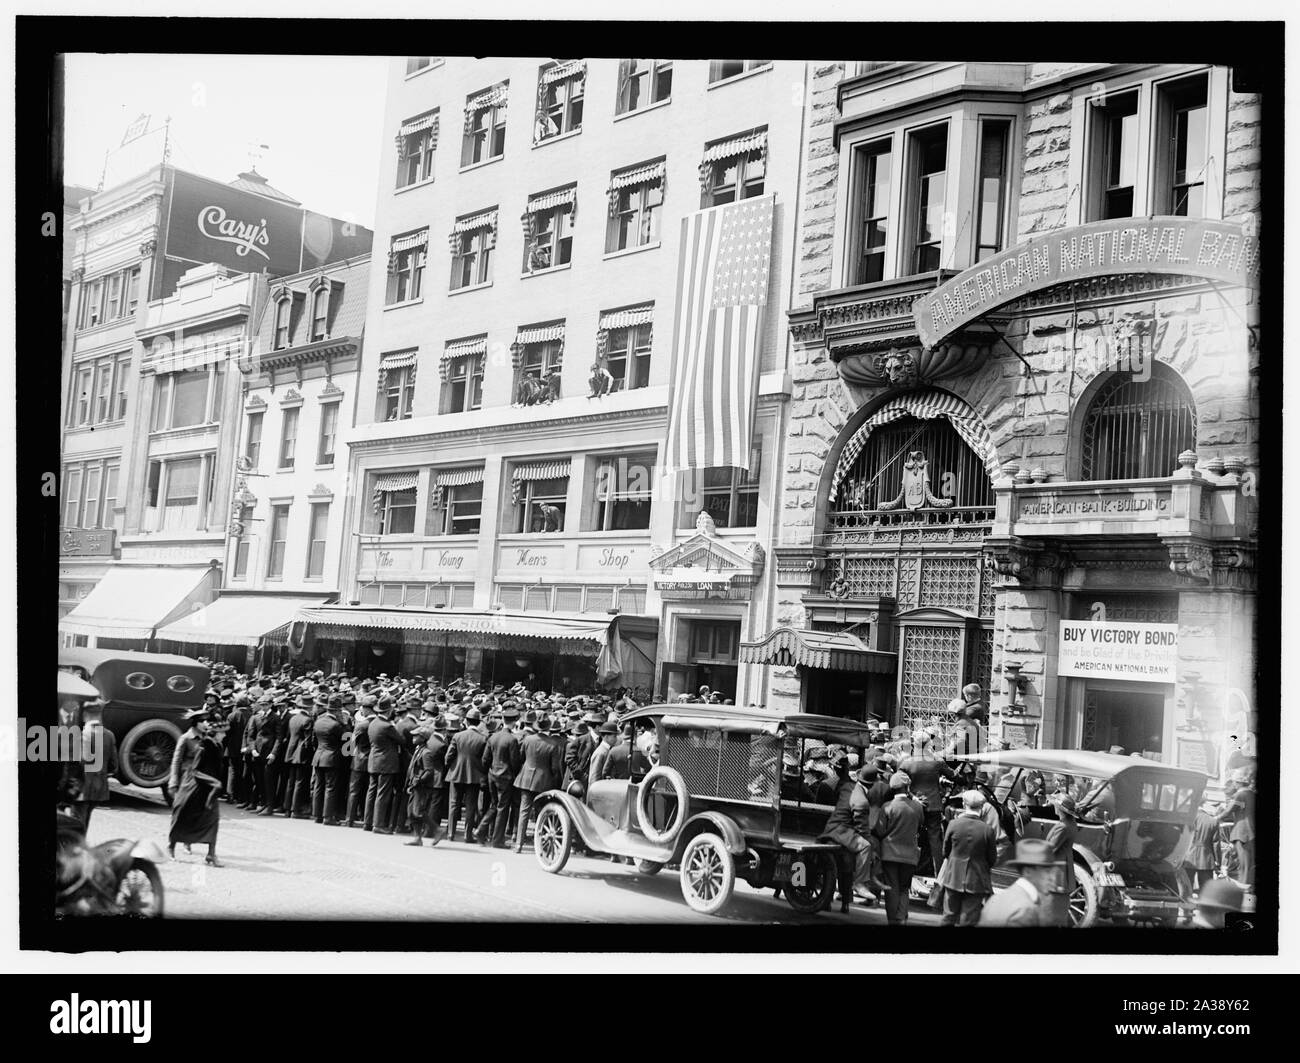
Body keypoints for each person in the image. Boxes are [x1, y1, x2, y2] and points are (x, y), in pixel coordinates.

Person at [818, 759, 878, 911]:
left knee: (838, 867)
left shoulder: (848, 787)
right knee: (866, 847)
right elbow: (863, 828)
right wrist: (870, 849)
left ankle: (831, 900)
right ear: (872, 784)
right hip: (840, 831)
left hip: (834, 829)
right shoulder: (861, 801)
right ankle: (860, 883)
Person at [167, 709, 224, 866]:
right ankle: (171, 845)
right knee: (182, 814)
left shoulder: (208, 739)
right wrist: (173, 781)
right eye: (203, 721)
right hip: (188, 783)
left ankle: (210, 854)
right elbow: (176, 760)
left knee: (210, 816)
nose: (206, 724)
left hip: (206, 783)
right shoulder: (185, 738)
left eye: (207, 721)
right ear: (195, 723)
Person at [936, 790, 998, 926]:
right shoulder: (987, 830)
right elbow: (992, 858)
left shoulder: (953, 824)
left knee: (948, 917)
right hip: (976, 880)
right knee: (968, 920)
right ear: (982, 807)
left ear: (964, 804)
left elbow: (945, 852)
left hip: (953, 877)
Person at [898, 736, 956, 876]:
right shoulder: (936, 761)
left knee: (908, 836)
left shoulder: (906, 763)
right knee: (935, 840)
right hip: (933, 805)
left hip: (913, 805)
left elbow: (899, 783)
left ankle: (906, 871)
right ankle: (939, 874)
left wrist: (913, 797)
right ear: (928, 745)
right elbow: (953, 775)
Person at [873, 771, 924, 926]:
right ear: (907, 787)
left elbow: (880, 831)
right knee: (904, 888)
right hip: (910, 855)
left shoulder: (887, 807)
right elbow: (920, 825)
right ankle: (901, 918)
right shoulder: (917, 807)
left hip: (890, 854)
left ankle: (892, 920)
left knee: (891, 888)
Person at [977, 838, 1065, 927]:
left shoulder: (994, 900)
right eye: (1047, 872)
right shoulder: (1026, 910)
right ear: (1028, 872)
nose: (1052, 878)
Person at [514, 715, 563, 853]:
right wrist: (555, 781)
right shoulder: (553, 744)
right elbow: (555, 768)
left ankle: (519, 844)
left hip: (526, 778)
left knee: (524, 811)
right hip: (544, 781)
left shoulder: (528, 739)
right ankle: (540, 843)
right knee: (541, 812)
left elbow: (521, 757)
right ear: (549, 727)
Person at [478, 706, 522, 848]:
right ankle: (497, 840)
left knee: (494, 805)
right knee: (502, 808)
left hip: (492, 775)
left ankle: (481, 829)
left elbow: (485, 759)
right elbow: (515, 762)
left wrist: (488, 772)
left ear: (503, 720)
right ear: (515, 722)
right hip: (506, 777)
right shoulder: (512, 740)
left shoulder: (493, 737)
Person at [73, 700, 118, 833]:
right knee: (84, 822)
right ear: (99, 715)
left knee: (75, 823)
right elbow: (114, 766)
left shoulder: (79, 736)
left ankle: (76, 850)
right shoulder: (109, 735)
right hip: (99, 788)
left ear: (84, 715)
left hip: (80, 789)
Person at [446, 706, 488, 842]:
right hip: (474, 775)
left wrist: (451, 767)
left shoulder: (458, 736)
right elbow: (485, 759)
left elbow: (449, 756)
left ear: (467, 721)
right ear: (478, 722)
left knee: (453, 804)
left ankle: (451, 833)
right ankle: (467, 835)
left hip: (456, 773)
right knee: (471, 805)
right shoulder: (483, 739)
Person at [405, 722, 448, 846]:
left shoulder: (426, 753)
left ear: (423, 738)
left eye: (416, 736)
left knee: (418, 811)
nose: (413, 738)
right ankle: (417, 838)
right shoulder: (419, 750)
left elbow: (429, 771)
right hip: (415, 785)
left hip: (421, 787)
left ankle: (438, 830)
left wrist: (418, 780)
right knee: (411, 812)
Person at [364, 697, 401, 834]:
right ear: (389, 710)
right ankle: (378, 824)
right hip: (386, 762)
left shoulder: (373, 723)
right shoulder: (387, 726)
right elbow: (401, 740)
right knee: (382, 794)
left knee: (372, 792)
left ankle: (368, 822)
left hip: (374, 760)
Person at [311, 695, 345, 825]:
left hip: (319, 756)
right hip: (332, 758)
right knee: (330, 787)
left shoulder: (318, 721)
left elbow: (313, 741)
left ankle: (317, 815)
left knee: (319, 787)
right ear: (336, 711)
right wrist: (346, 725)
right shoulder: (337, 725)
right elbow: (348, 743)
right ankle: (328, 816)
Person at [283, 694, 316, 819]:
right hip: (302, 754)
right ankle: (296, 809)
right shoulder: (307, 720)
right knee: (300, 782)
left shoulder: (293, 718)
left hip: (291, 752)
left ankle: (287, 808)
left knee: (291, 782)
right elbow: (308, 741)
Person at [344, 700, 373, 828]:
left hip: (358, 761)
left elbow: (348, 748)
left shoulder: (361, 725)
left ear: (367, 709)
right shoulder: (379, 724)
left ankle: (349, 818)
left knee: (354, 791)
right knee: (369, 792)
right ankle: (366, 819)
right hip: (372, 761)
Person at [1183, 798, 1221, 893]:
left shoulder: (1187, 819)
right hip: (1206, 859)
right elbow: (1216, 844)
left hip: (1188, 857)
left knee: (1186, 887)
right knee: (1206, 889)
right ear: (1204, 804)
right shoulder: (1213, 821)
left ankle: (1187, 906)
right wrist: (1218, 862)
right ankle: (1203, 907)